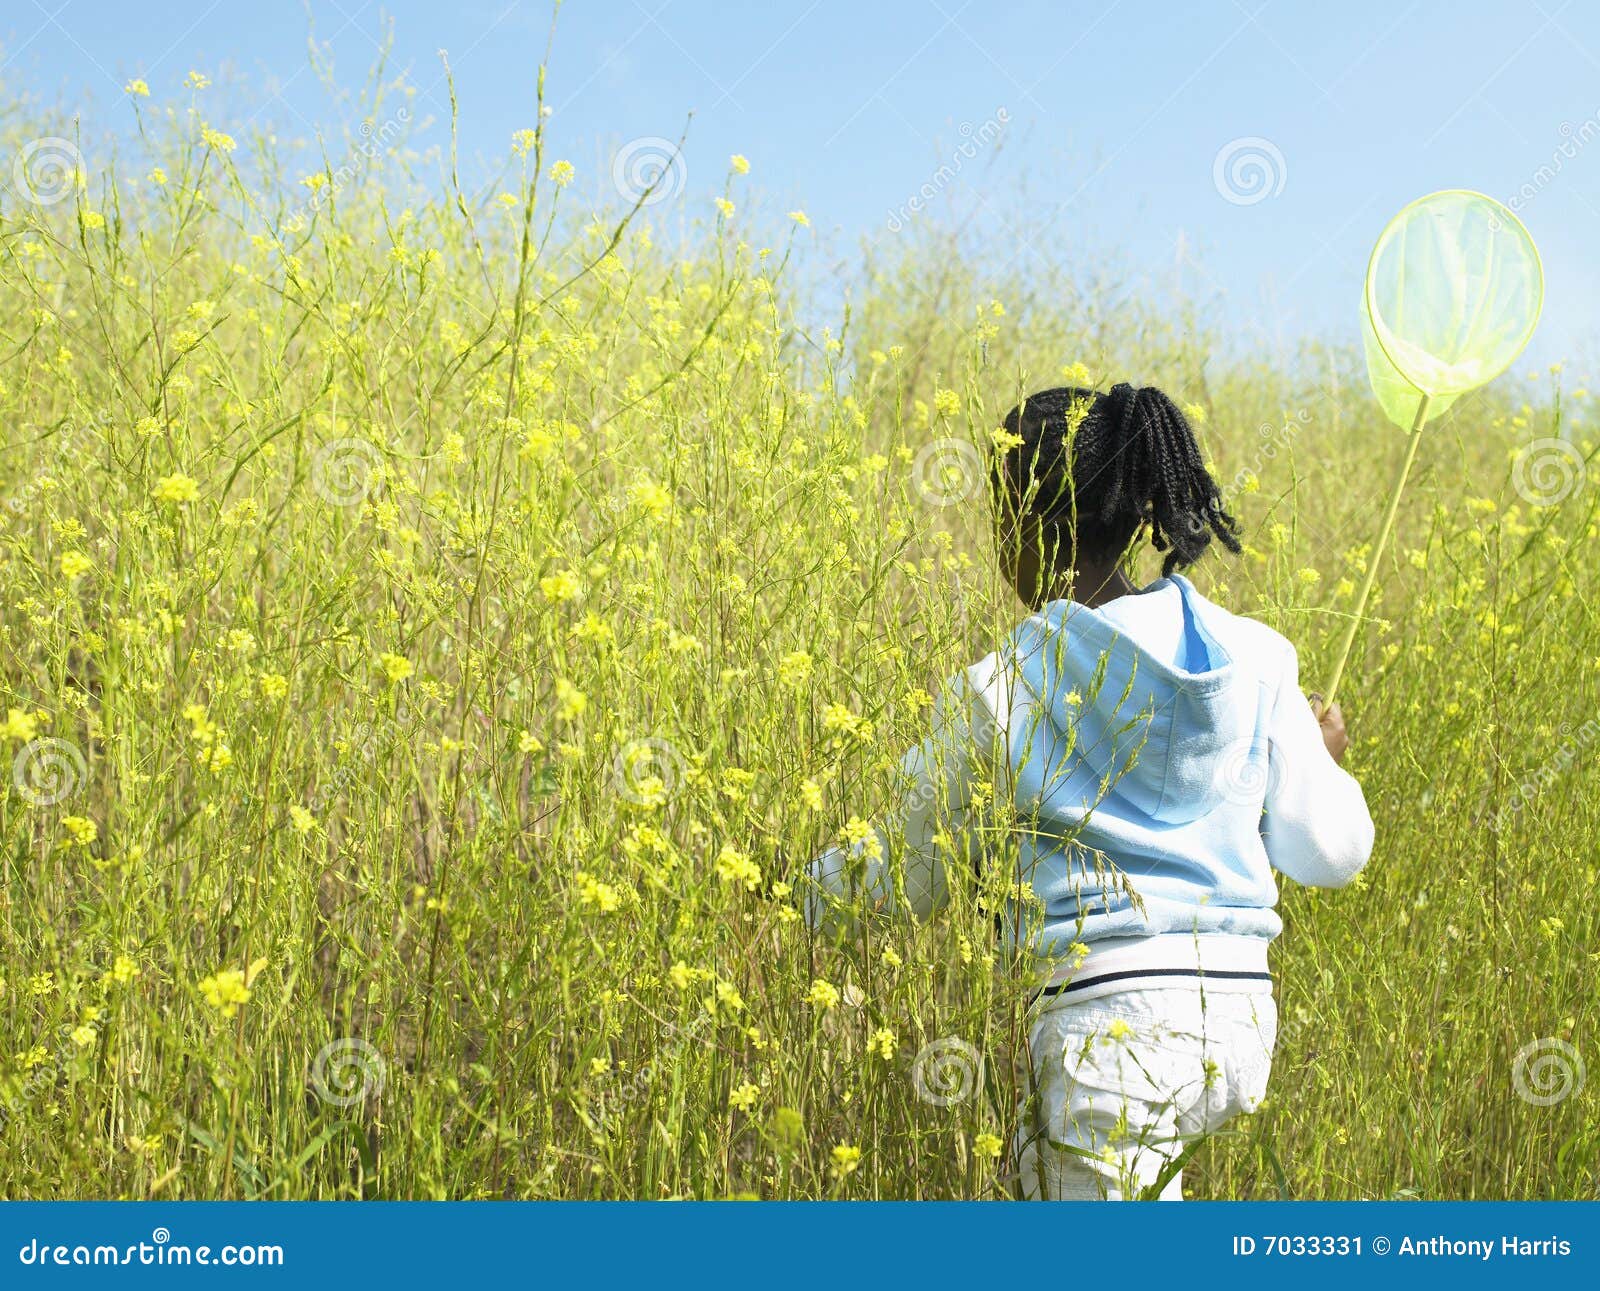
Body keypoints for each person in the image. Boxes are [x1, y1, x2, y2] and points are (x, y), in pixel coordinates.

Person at [806, 382, 1373, 1200]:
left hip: (1104, 1028)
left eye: (999, 514)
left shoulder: (1007, 680)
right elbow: (1329, 853)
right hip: (1238, 1013)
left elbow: (908, 866)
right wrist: (1326, 763)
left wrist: (793, 896)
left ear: (1022, 522)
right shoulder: (1257, 656)